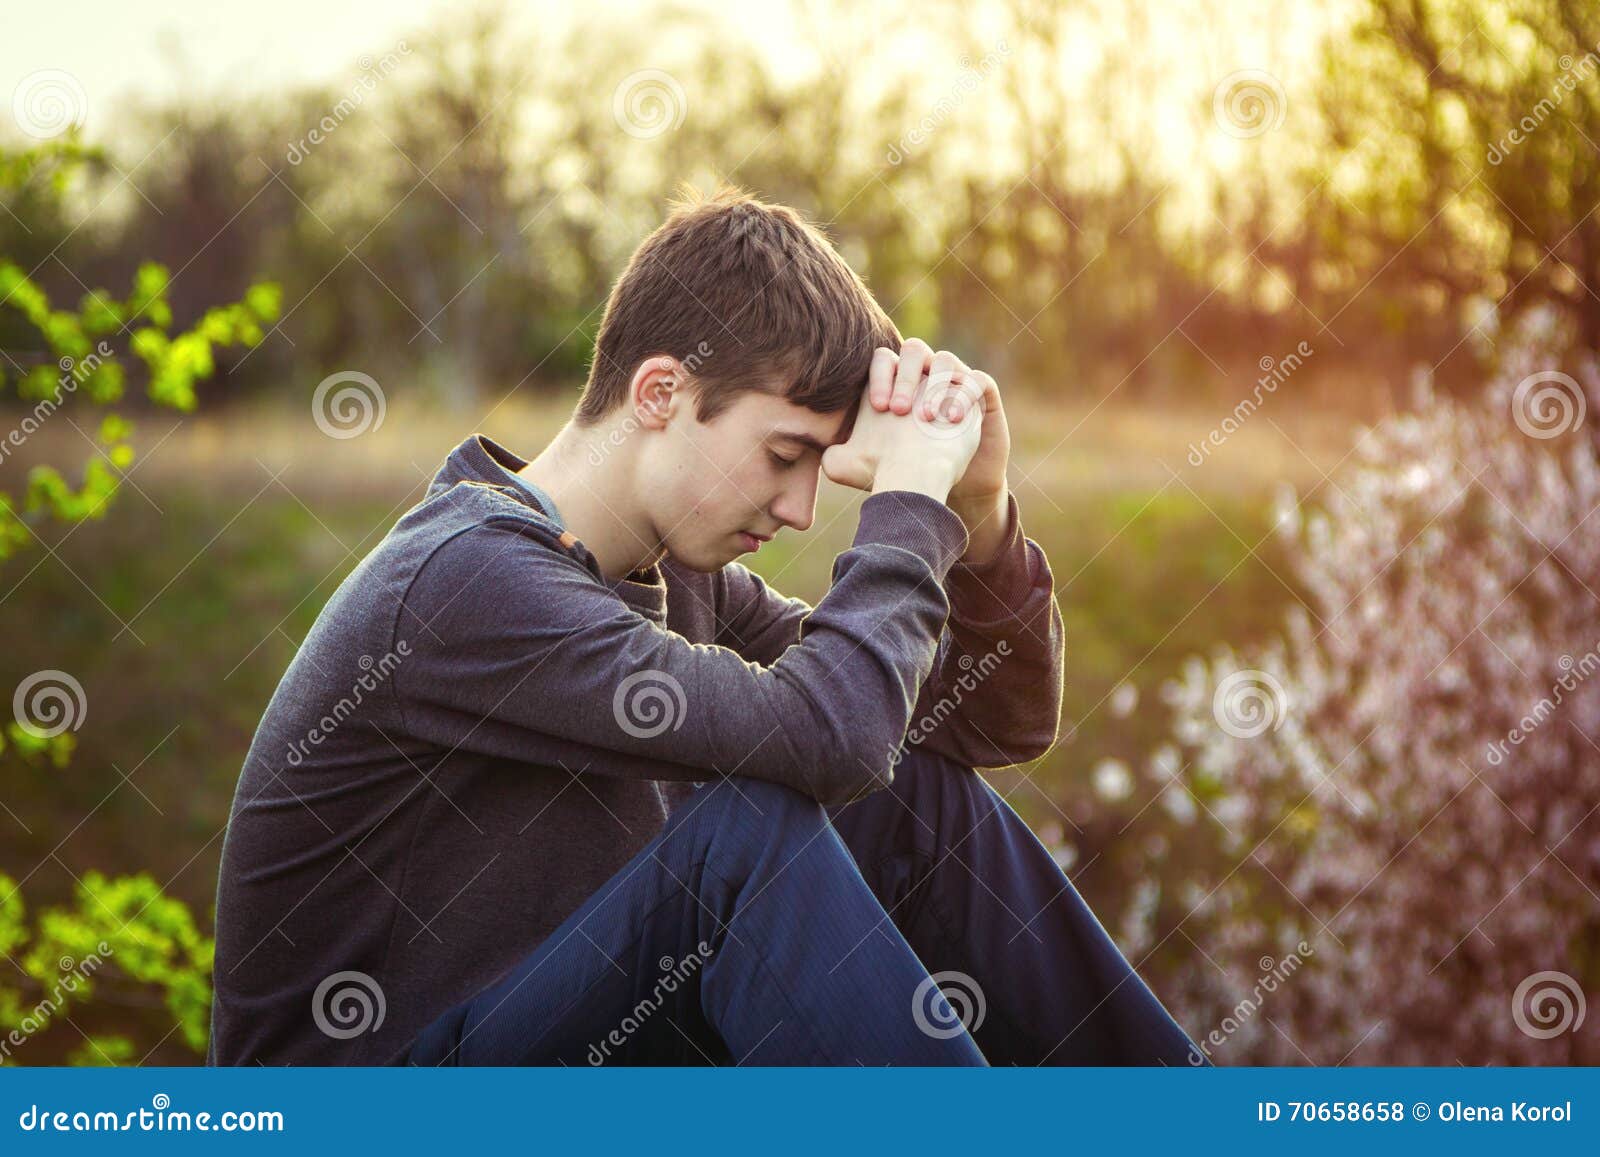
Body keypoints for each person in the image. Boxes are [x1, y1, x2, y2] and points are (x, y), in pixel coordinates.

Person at [206, 185, 1205, 1066]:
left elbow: (977, 725)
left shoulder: (676, 577)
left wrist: (978, 518)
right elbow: (837, 730)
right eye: (785, 454)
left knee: (912, 799)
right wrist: (909, 506)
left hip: (544, 1057)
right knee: (741, 839)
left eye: (824, 464)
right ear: (661, 391)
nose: (805, 507)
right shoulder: (467, 580)